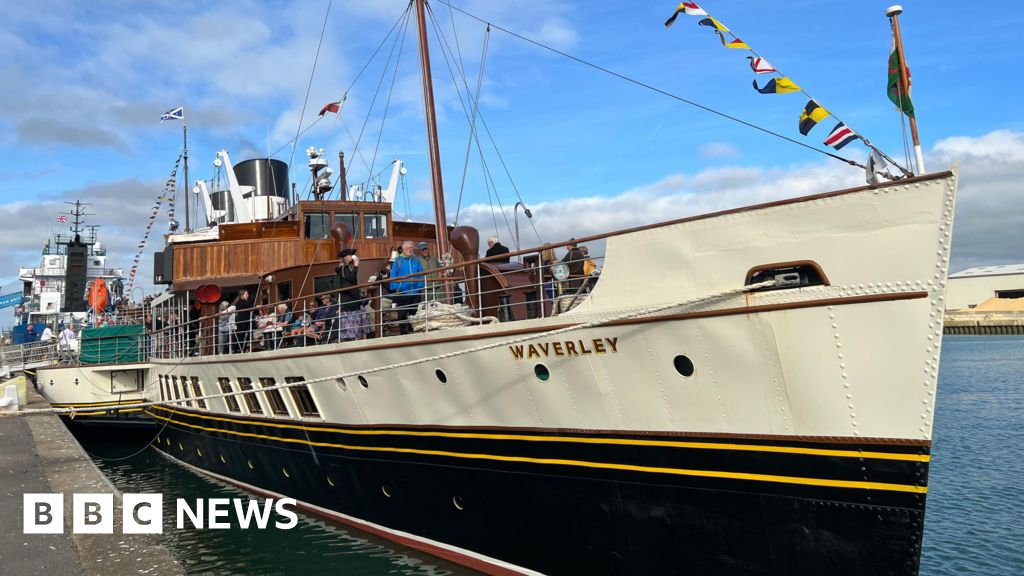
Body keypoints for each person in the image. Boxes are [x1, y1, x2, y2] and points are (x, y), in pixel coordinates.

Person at [389, 240, 425, 335]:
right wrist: (395, 287)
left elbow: (421, 273)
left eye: (412, 247)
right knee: (402, 313)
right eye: (408, 248)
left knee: (414, 312)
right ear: (404, 249)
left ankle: (413, 329)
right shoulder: (398, 260)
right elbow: (393, 274)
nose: (410, 249)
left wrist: (420, 286)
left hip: (415, 291)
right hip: (403, 291)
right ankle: (403, 332)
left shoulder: (417, 260)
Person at [335, 248, 369, 340]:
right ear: (346, 257)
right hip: (348, 302)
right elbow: (351, 278)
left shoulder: (348, 268)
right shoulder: (342, 269)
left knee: (359, 327)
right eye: (350, 255)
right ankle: (353, 343)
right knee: (351, 328)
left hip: (354, 300)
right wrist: (356, 266)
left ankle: (362, 342)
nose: (353, 256)